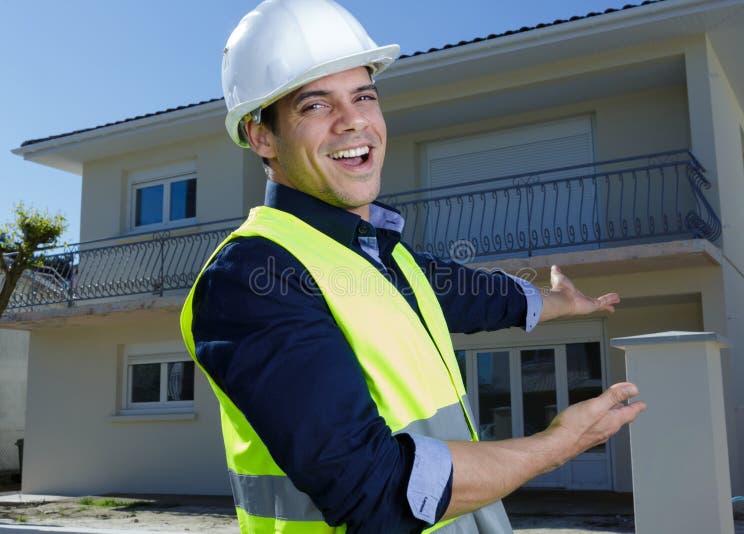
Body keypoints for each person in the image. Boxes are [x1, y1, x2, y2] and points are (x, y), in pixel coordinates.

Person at [179, 1, 646, 533]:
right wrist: (557, 446)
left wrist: (562, 303)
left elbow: (475, 294)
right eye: (315, 106)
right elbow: (374, 490)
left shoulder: (383, 256)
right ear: (262, 137)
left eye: (364, 96)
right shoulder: (248, 279)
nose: (353, 120)